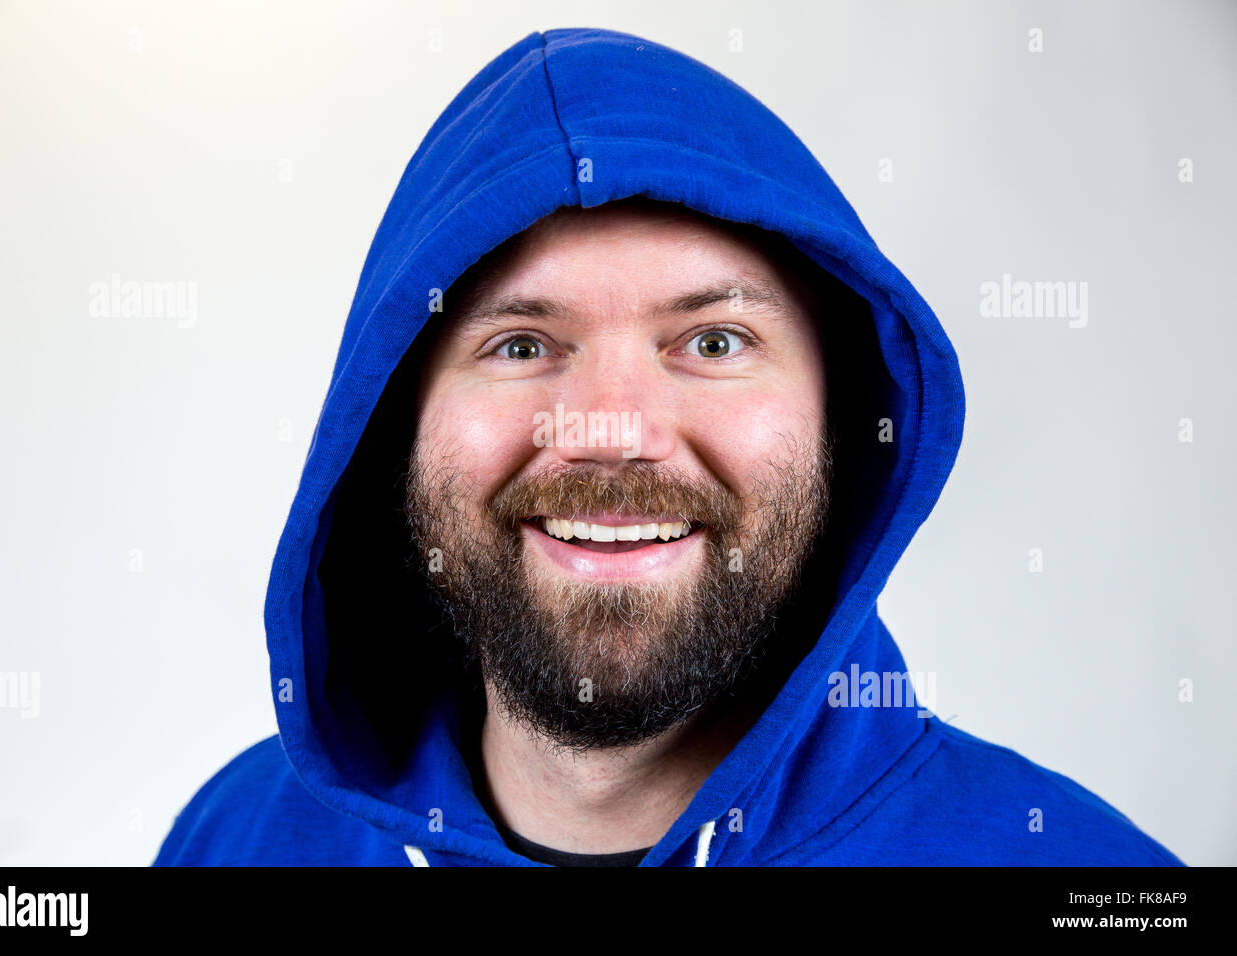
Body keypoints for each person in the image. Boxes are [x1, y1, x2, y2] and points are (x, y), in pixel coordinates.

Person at [153, 27, 1183, 866]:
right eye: (520, 344)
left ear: (840, 409)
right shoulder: (234, 841)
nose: (610, 427)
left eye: (712, 341)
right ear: (394, 421)